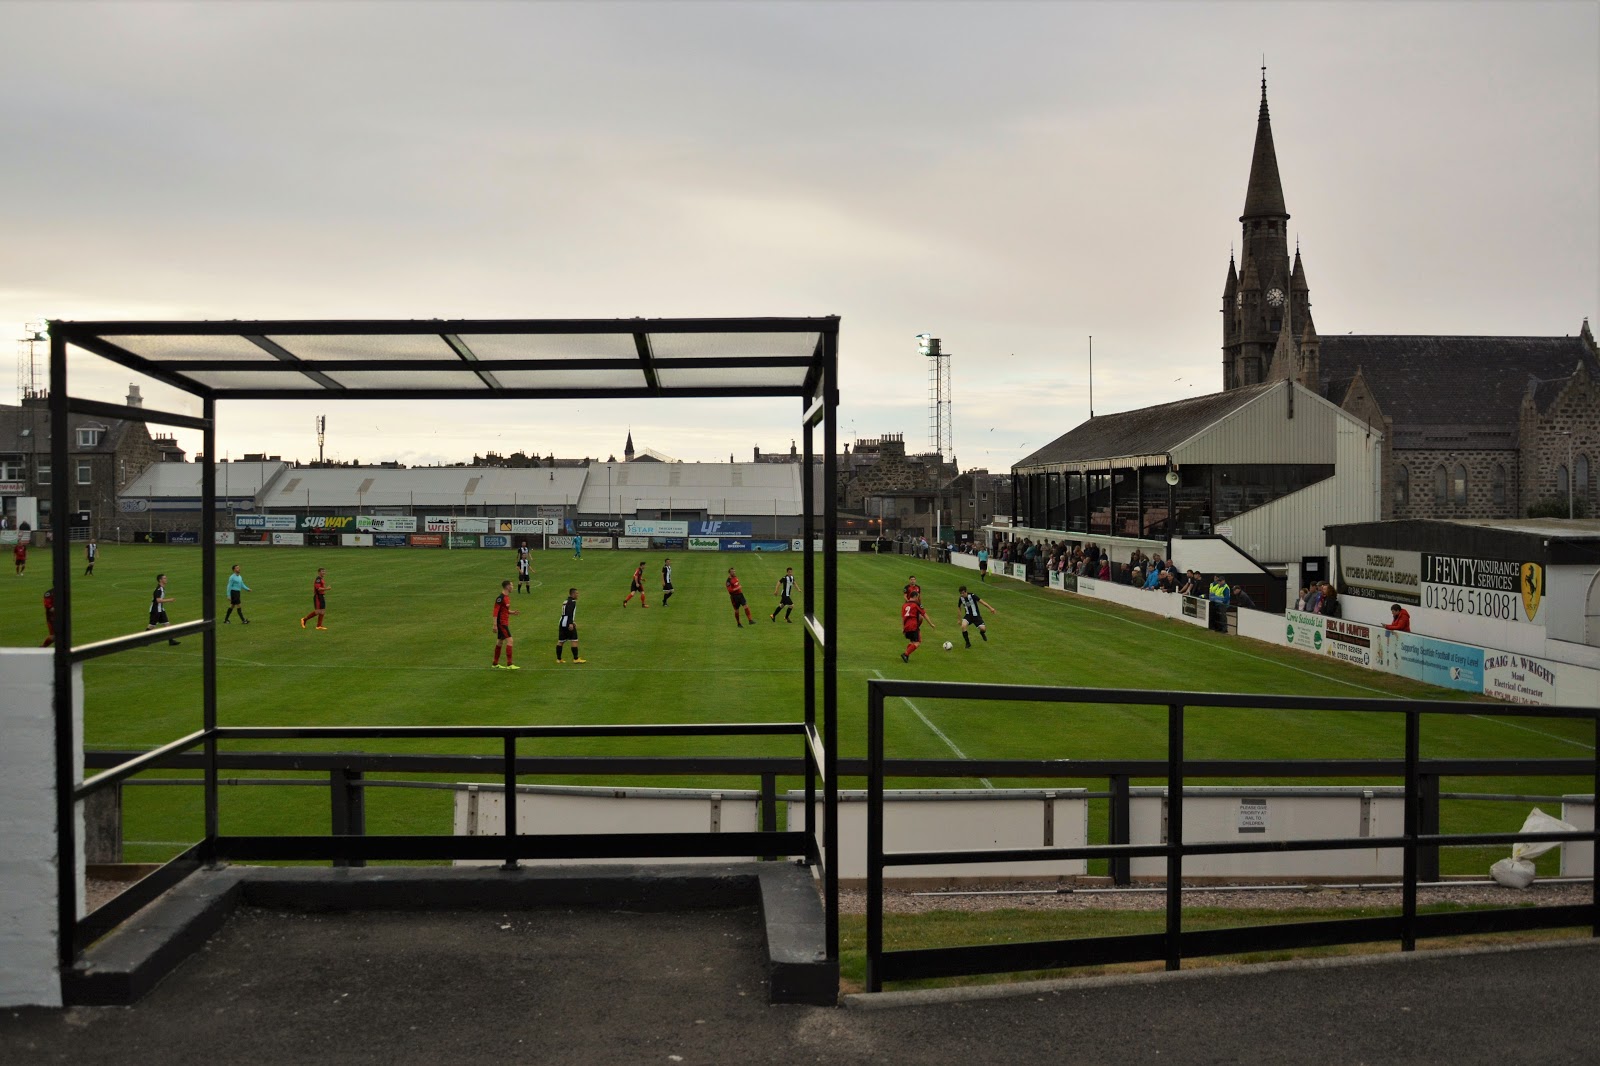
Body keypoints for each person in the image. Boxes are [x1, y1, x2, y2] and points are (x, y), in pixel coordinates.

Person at [492, 579, 520, 669]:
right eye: (511, 585)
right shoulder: (501, 598)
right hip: (501, 623)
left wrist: (512, 612)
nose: (513, 587)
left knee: (500, 642)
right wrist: (495, 625)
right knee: (510, 641)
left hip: (504, 622)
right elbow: (495, 611)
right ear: (507, 587)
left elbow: (505, 611)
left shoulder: (507, 597)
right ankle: (509, 664)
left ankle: (495, 664)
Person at [899, 591, 934, 663]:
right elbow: (924, 614)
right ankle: (905, 654)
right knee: (917, 642)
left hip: (906, 626)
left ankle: (907, 655)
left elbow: (903, 617)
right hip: (913, 625)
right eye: (918, 597)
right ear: (915, 597)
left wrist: (903, 627)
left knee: (912, 642)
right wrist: (931, 624)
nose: (918, 599)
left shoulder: (904, 605)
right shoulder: (916, 604)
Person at [147, 572, 179, 645]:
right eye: (164, 578)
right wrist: (169, 600)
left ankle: (171, 641)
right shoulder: (158, 590)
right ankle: (142, 640)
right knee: (151, 626)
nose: (166, 579)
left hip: (161, 610)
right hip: (155, 610)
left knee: (167, 624)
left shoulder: (162, 588)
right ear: (160, 580)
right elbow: (158, 600)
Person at [555, 587, 584, 662]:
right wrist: (571, 623)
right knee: (574, 640)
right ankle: (576, 659)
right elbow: (569, 613)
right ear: (573, 594)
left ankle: (559, 659)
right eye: (577, 593)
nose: (578, 595)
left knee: (561, 641)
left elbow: (565, 613)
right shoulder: (572, 602)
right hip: (568, 623)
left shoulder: (565, 601)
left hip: (562, 622)